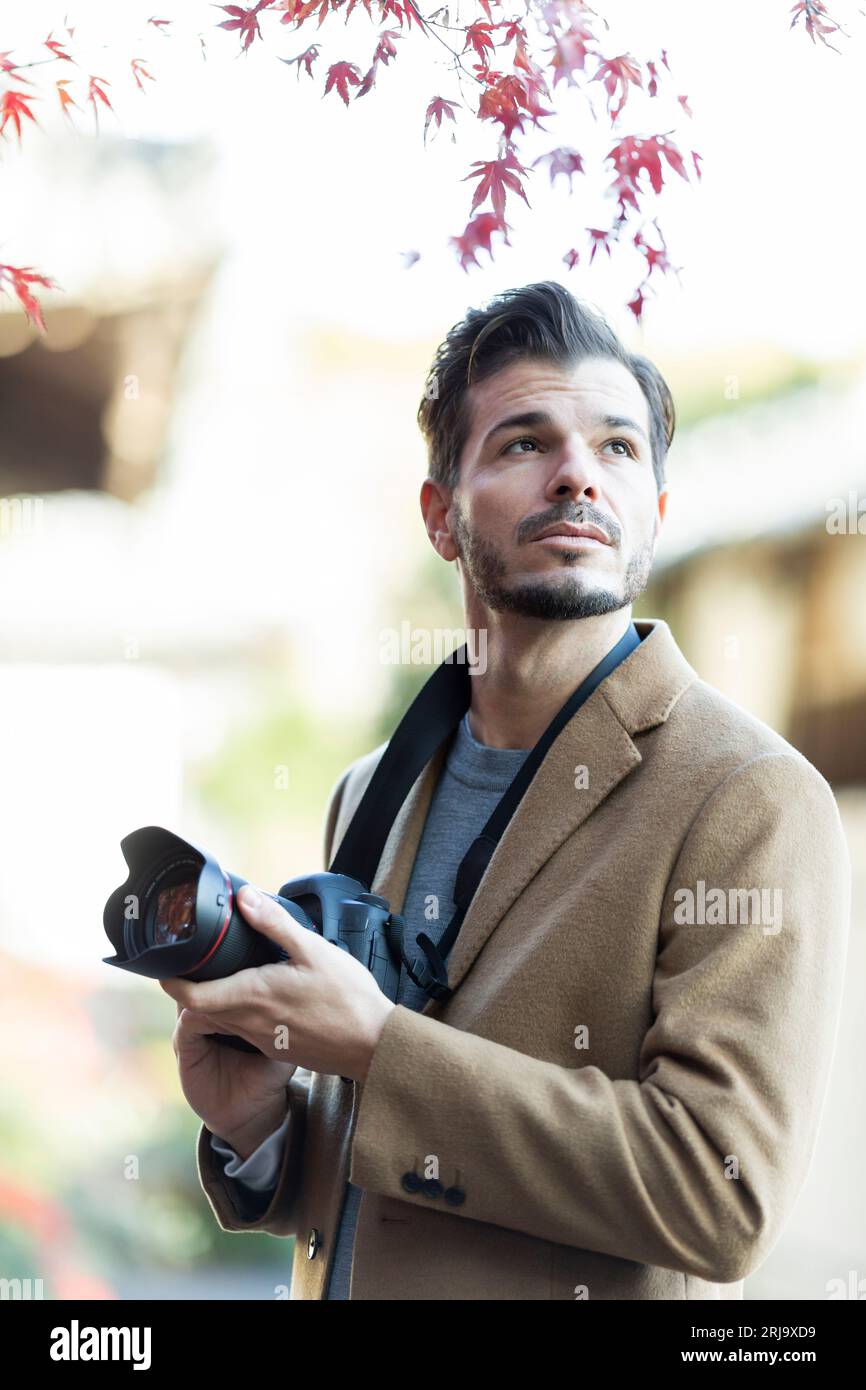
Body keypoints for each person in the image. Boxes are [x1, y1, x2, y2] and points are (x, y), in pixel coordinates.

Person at [162, 280, 851, 1300]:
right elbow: (392, 1169)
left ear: (652, 517)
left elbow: (719, 1190)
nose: (577, 474)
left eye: (616, 447)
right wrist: (259, 1126)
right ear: (441, 517)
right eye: (524, 442)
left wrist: (380, 1044)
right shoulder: (369, 790)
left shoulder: (751, 797)